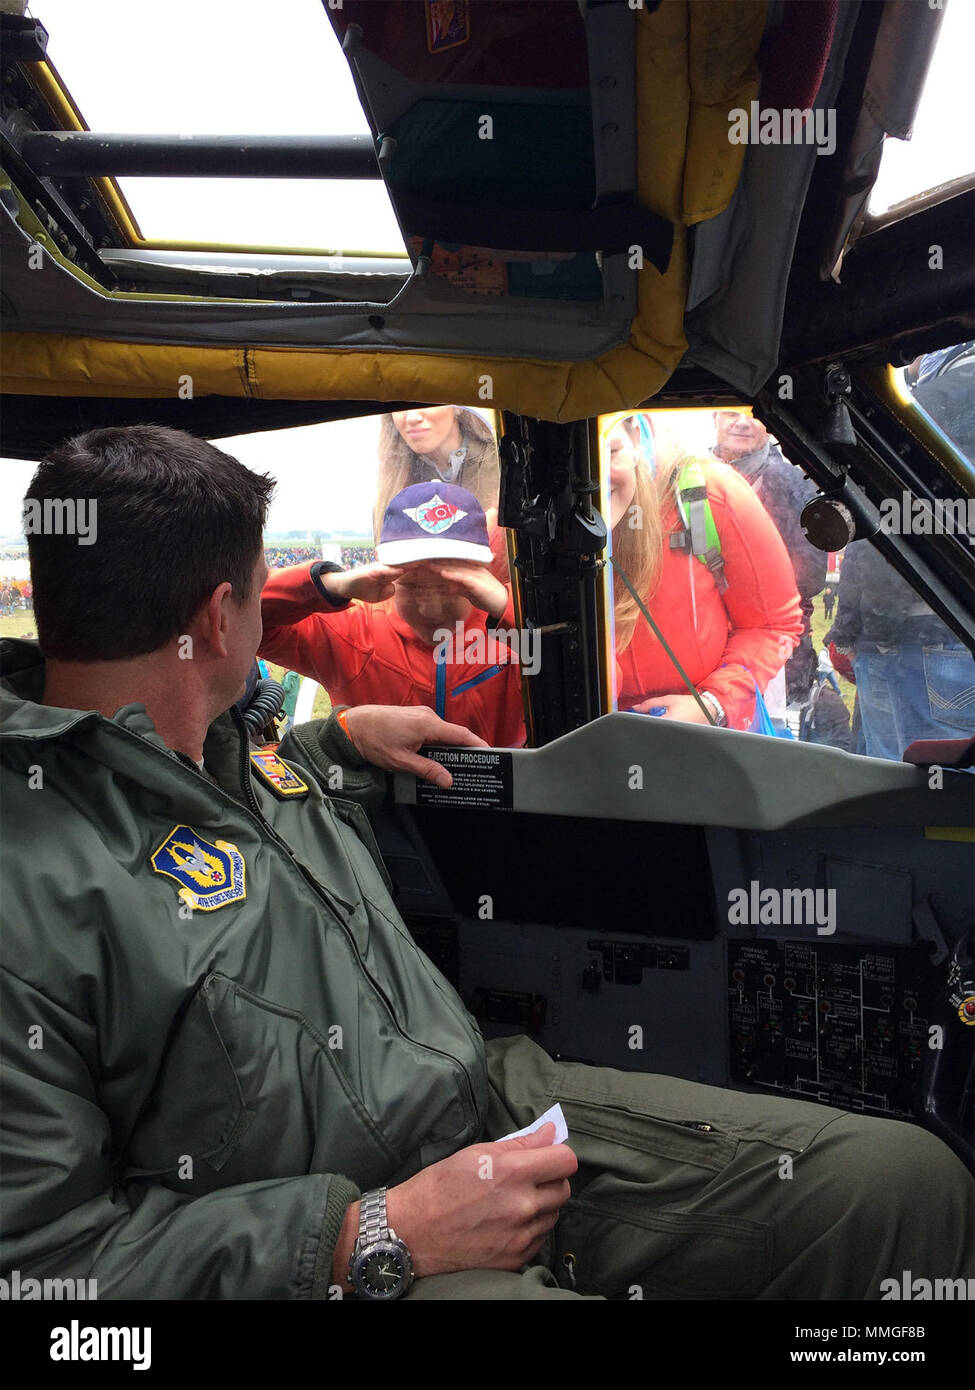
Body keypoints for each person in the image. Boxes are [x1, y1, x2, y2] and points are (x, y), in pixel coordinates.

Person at [2, 424, 971, 1303]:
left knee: (901, 1190)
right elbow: (42, 1281)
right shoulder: (27, 883)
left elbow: (206, 816)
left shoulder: (234, 747)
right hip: (337, 1241)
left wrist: (334, 743)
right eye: (262, 590)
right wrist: (362, 1237)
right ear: (219, 620)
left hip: (488, 1103)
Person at [260, 482, 526, 748]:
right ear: (381, 566)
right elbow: (245, 620)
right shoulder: (352, 630)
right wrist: (331, 584)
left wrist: (509, 607)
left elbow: (564, 669)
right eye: (410, 587)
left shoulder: (516, 632)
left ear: (484, 570)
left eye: (451, 587)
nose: (429, 610)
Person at [606, 414, 804, 730]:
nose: (594, 478)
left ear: (634, 434)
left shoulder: (708, 493)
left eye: (610, 452)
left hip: (694, 741)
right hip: (579, 744)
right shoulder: (526, 515)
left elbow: (773, 623)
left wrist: (714, 704)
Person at [711, 408, 826, 709]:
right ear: (715, 419)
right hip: (705, 648)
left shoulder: (793, 483)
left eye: (752, 414)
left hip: (778, 653)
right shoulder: (687, 481)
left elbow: (812, 572)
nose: (741, 422)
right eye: (730, 413)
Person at [826, 539, 975, 761]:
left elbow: (865, 540)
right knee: (946, 775)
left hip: (910, 635)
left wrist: (847, 633)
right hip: (935, 631)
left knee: (895, 772)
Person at [374, 404, 509, 582]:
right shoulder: (391, 483)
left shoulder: (503, 467)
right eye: (399, 404)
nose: (412, 416)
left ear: (458, 406)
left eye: (426, 401)